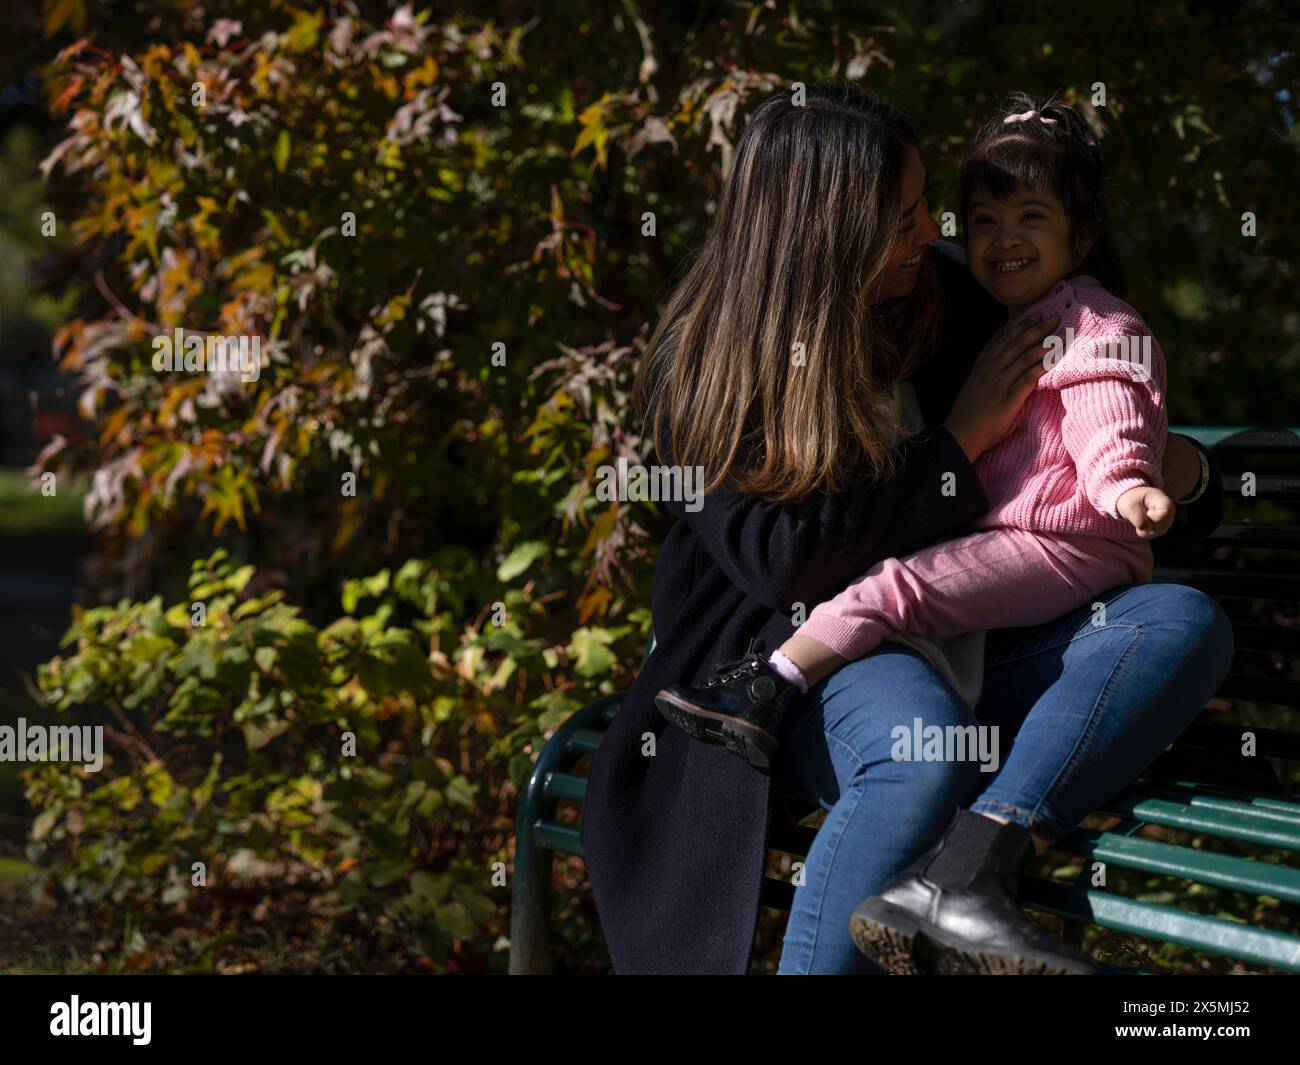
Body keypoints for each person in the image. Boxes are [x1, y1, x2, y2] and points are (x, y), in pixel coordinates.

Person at [579, 82, 1231, 975]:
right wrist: (960, 439)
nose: (932, 233)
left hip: (980, 618)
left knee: (1179, 620)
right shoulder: (709, 364)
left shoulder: (950, 292)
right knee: (917, 755)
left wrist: (1170, 471)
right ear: (826, 235)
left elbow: (1090, 407)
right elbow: (786, 562)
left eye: (927, 205)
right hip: (806, 647)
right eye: (903, 218)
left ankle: (976, 870)